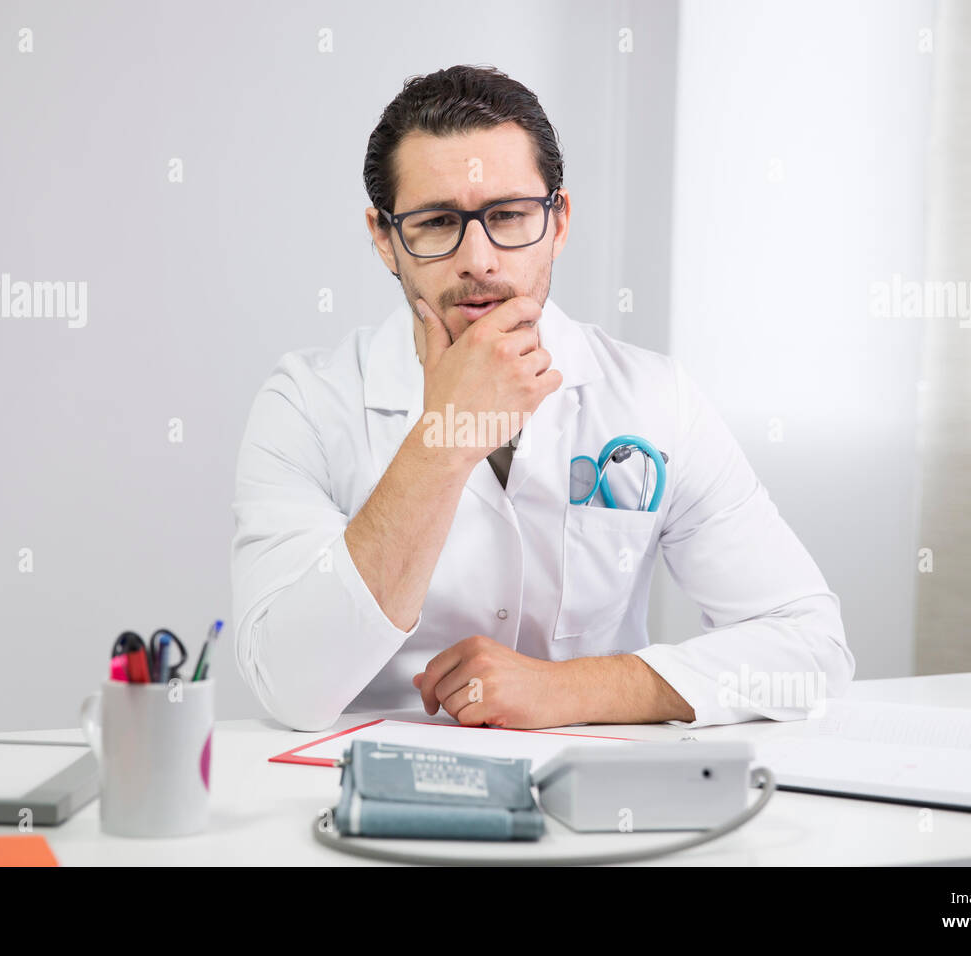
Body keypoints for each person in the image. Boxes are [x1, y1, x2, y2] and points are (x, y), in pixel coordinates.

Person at [231, 65, 854, 732]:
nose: (479, 258)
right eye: (439, 222)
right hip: (364, 792)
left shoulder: (652, 397)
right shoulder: (306, 402)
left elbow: (809, 650)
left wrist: (574, 690)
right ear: (385, 238)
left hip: (596, 796)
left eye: (506, 215)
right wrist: (445, 439)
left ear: (557, 222)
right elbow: (290, 686)